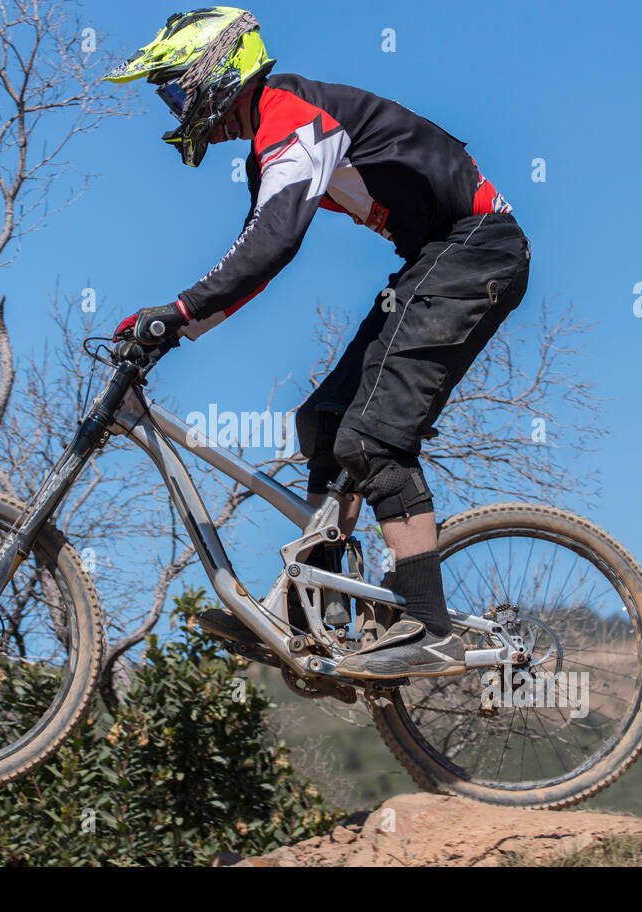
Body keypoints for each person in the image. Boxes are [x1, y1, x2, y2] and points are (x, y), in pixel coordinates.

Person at [104, 7, 531, 679]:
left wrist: (176, 311)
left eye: (178, 89)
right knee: (324, 424)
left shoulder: (292, 114)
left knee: (372, 438)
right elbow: (254, 266)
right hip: (436, 259)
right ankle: (321, 616)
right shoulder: (274, 138)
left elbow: (272, 245)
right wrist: (174, 332)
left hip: (478, 249)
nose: (177, 107)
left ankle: (431, 626)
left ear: (218, 72)